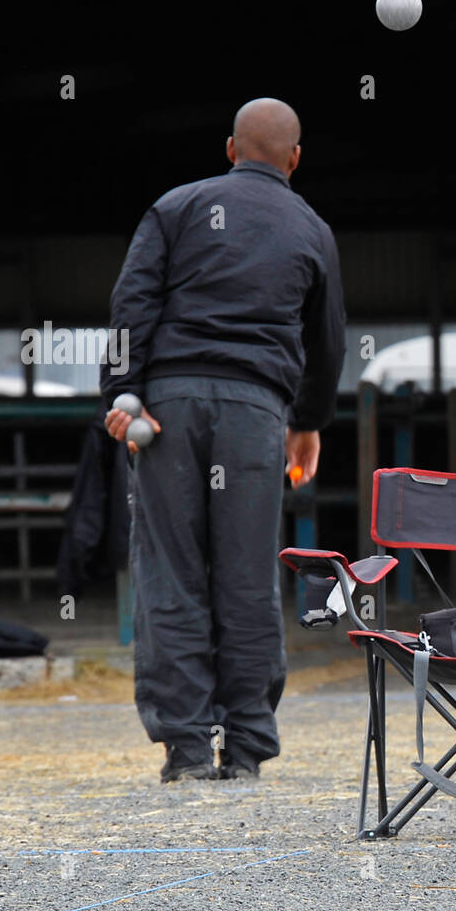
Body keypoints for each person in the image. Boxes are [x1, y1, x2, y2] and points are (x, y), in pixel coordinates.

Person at [100, 98, 347, 782]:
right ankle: (245, 749)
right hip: (255, 411)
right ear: (295, 159)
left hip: (169, 408)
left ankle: (184, 749)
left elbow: (131, 304)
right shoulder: (311, 228)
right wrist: (308, 423)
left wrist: (123, 393)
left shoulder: (176, 207)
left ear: (229, 148)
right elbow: (327, 346)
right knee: (245, 577)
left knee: (170, 574)